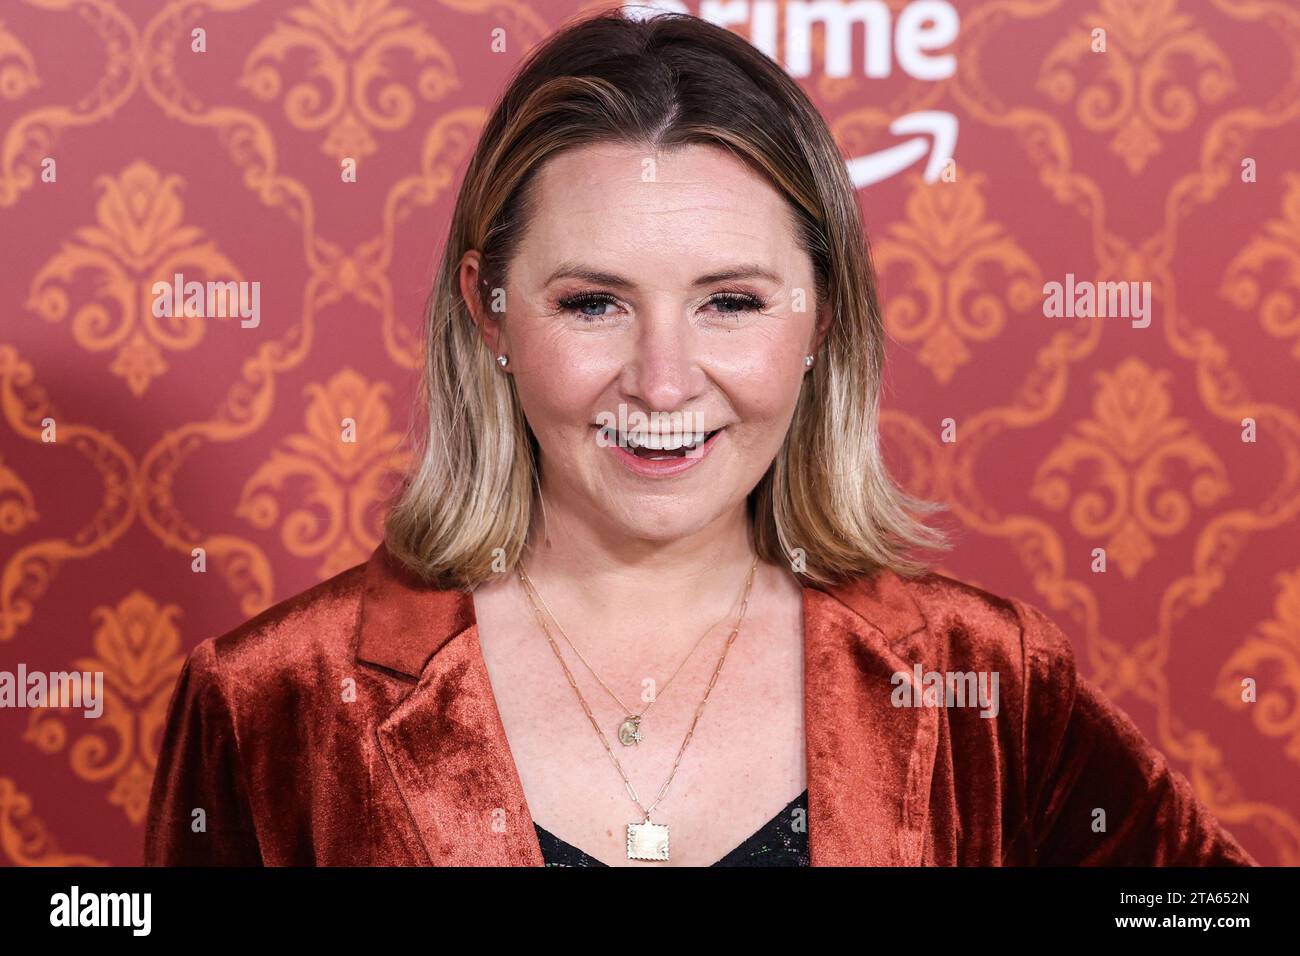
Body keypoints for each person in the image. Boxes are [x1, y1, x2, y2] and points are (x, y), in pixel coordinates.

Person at [144, 9, 1255, 867]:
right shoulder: (271, 698)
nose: (664, 379)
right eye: (593, 303)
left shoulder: (984, 678)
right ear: (489, 312)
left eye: (730, 301)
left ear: (822, 314)